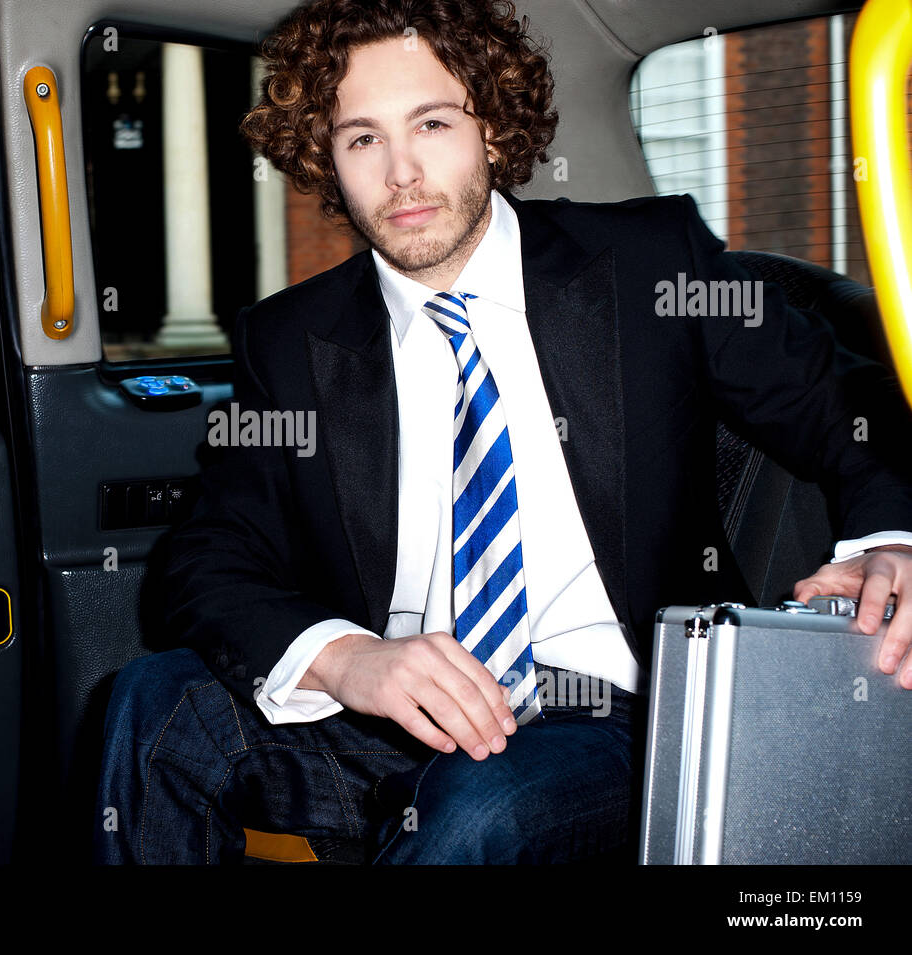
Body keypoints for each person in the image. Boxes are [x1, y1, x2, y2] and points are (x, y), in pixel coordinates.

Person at [95, 0, 912, 864]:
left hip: (606, 715)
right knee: (156, 705)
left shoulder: (650, 265)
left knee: (485, 802)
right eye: (362, 138)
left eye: (433, 123)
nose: (402, 172)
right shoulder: (290, 339)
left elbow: (852, 409)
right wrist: (347, 660)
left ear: (492, 129)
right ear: (326, 161)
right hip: (388, 713)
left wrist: (895, 540)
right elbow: (206, 558)